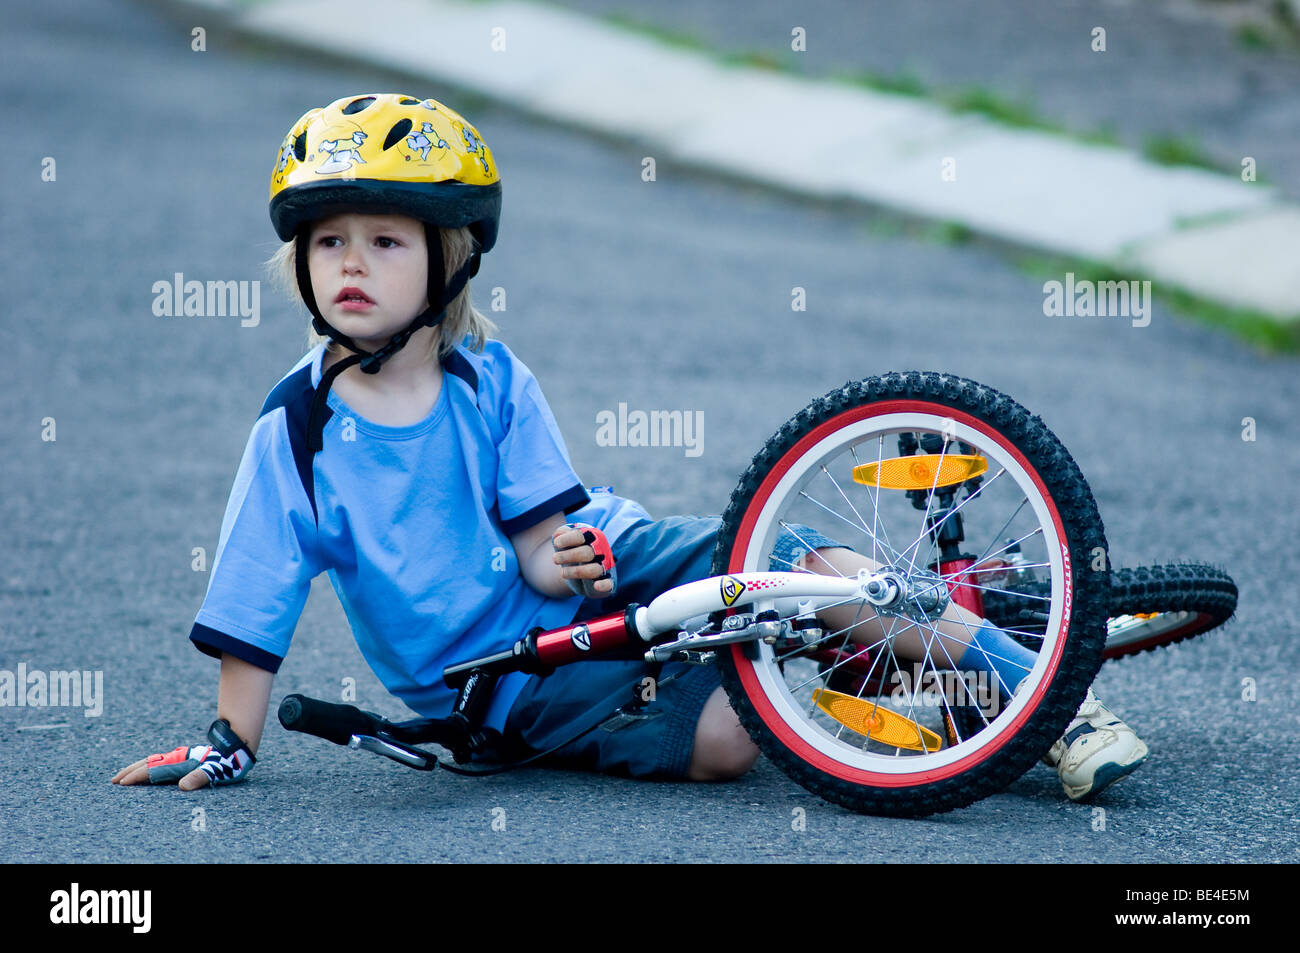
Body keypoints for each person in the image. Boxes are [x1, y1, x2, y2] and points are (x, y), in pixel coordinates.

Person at [112, 93, 1146, 802]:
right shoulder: (295, 434)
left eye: (384, 241)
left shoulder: (490, 377)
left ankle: (1054, 701)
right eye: (328, 240)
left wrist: (562, 556)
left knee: (781, 573)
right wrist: (227, 741)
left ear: (446, 259)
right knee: (725, 743)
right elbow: (255, 602)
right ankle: (908, 675)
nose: (351, 263)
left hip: (607, 559)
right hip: (499, 677)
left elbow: (540, 538)